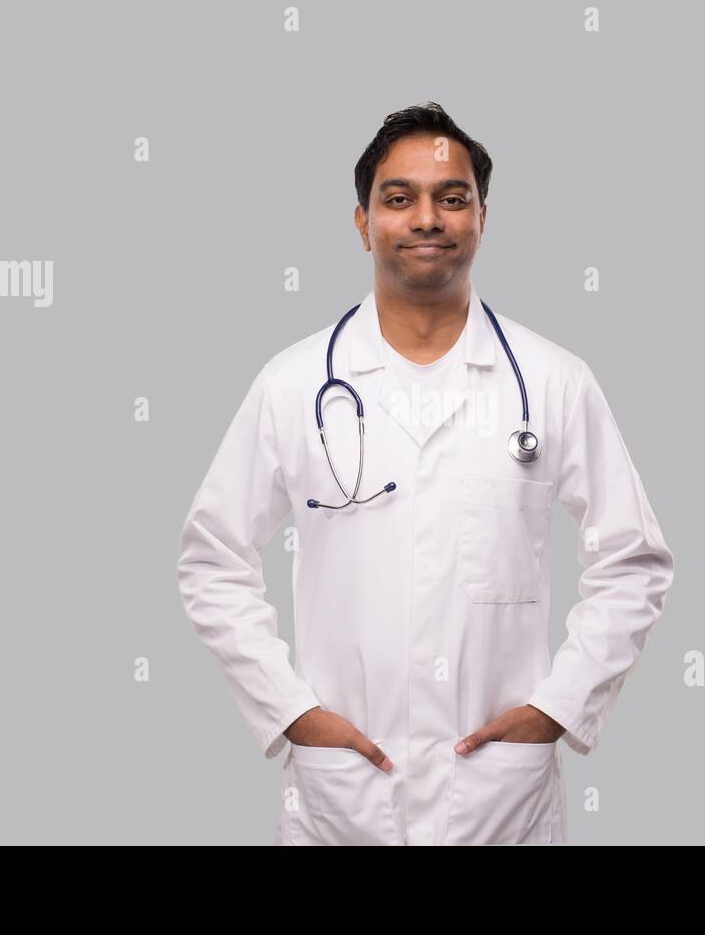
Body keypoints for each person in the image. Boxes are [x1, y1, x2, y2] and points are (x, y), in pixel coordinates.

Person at [176, 102, 675, 845]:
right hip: (342, 799)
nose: (427, 218)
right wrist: (290, 712)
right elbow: (213, 558)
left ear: (482, 217)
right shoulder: (292, 385)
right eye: (399, 198)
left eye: (452, 197)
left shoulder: (553, 382)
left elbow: (632, 561)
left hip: (498, 798)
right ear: (362, 221)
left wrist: (559, 707)